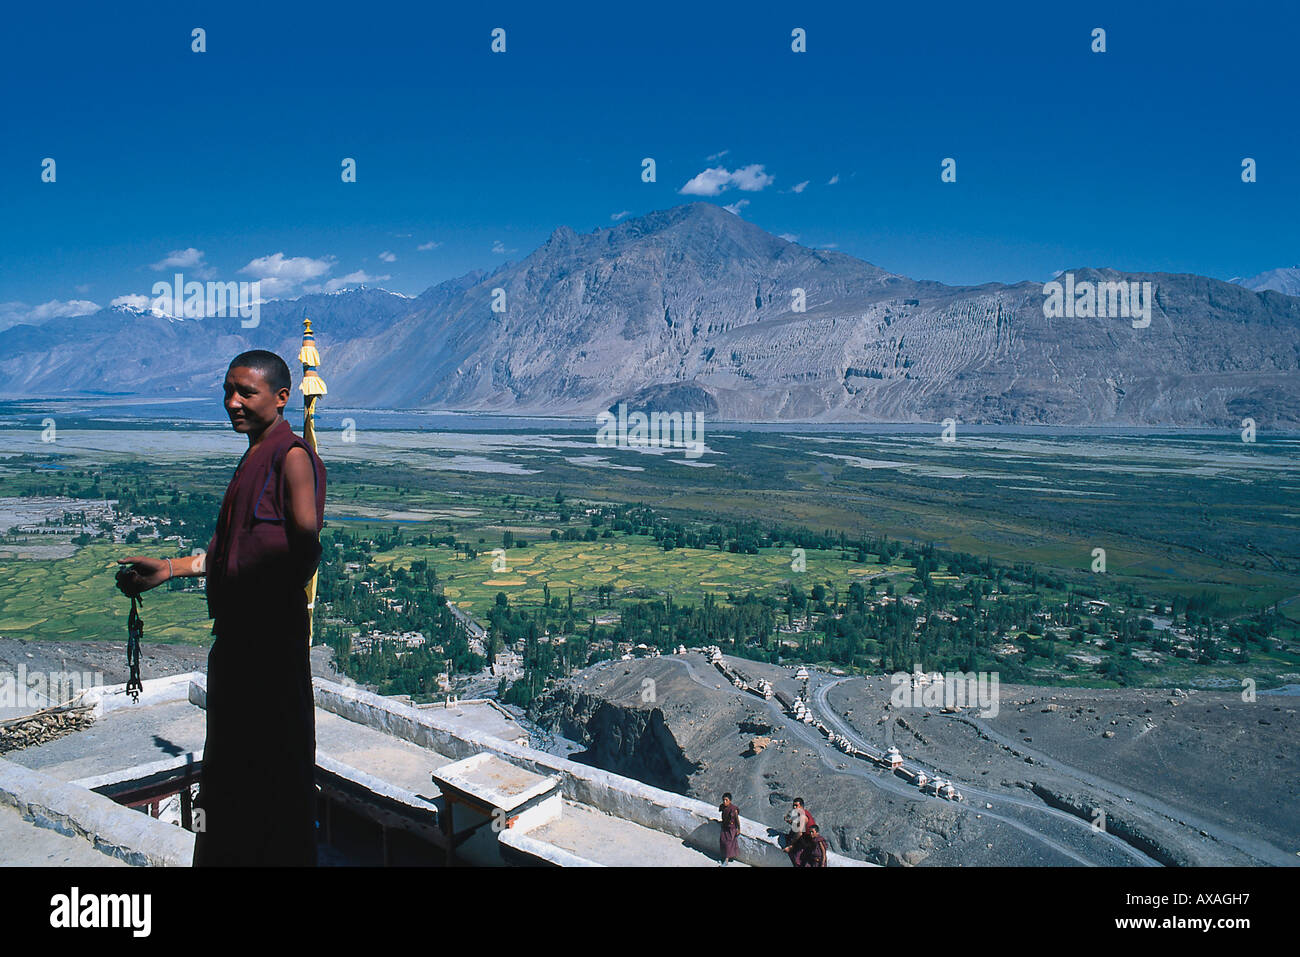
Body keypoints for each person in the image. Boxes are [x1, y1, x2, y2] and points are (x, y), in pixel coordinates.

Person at [115, 351, 326, 866]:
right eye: (228, 391)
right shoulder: (254, 455)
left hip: (269, 653)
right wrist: (168, 568)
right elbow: (236, 552)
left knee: (274, 771)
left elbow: (304, 544)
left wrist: (265, 590)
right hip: (238, 649)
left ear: (281, 398)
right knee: (232, 772)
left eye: (246, 393)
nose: (232, 402)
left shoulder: (291, 457)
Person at [782, 797, 816, 866]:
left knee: (794, 854)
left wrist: (791, 845)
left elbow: (799, 833)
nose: (794, 807)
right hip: (805, 836)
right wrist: (790, 822)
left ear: (801, 806)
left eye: (796, 805)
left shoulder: (803, 816)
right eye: (793, 805)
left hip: (808, 840)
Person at [718, 792, 740, 865]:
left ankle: (726, 861)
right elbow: (721, 811)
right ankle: (723, 857)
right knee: (722, 841)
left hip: (731, 829)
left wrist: (738, 829)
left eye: (726, 800)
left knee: (728, 844)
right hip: (724, 827)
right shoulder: (723, 807)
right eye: (723, 800)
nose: (724, 802)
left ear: (730, 801)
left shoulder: (733, 809)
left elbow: (737, 820)